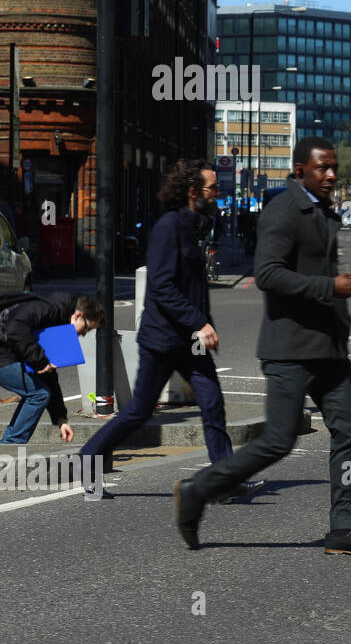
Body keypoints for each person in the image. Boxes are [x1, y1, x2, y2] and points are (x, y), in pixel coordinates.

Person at [173, 137, 351, 556]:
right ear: (299, 170)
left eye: (334, 167)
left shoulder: (322, 212)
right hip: (289, 348)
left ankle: (345, 529)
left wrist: (341, 287)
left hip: (328, 350)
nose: (331, 175)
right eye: (322, 167)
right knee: (278, 440)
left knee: (350, 434)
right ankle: (198, 489)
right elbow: (267, 274)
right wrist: (330, 286)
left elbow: (308, 272)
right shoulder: (284, 211)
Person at [80, 160, 260, 500]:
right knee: (138, 411)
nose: (217, 194)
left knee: (212, 404)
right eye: (212, 189)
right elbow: (161, 287)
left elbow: (192, 287)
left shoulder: (193, 227)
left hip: (189, 340)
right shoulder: (169, 227)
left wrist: (203, 326)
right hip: (163, 338)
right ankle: (89, 457)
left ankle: (224, 481)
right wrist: (200, 323)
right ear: (193, 192)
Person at [0, 292, 104, 444]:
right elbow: (15, 329)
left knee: (38, 392)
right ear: (78, 315)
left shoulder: (57, 323)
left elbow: (48, 376)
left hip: (6, 351)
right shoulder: (49, 310)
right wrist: (40, 361)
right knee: (38, 394)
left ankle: (9, 444)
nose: (82, 334)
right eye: (86, 329)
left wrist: (61, 419)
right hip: (3, 353)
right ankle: (10, 446)